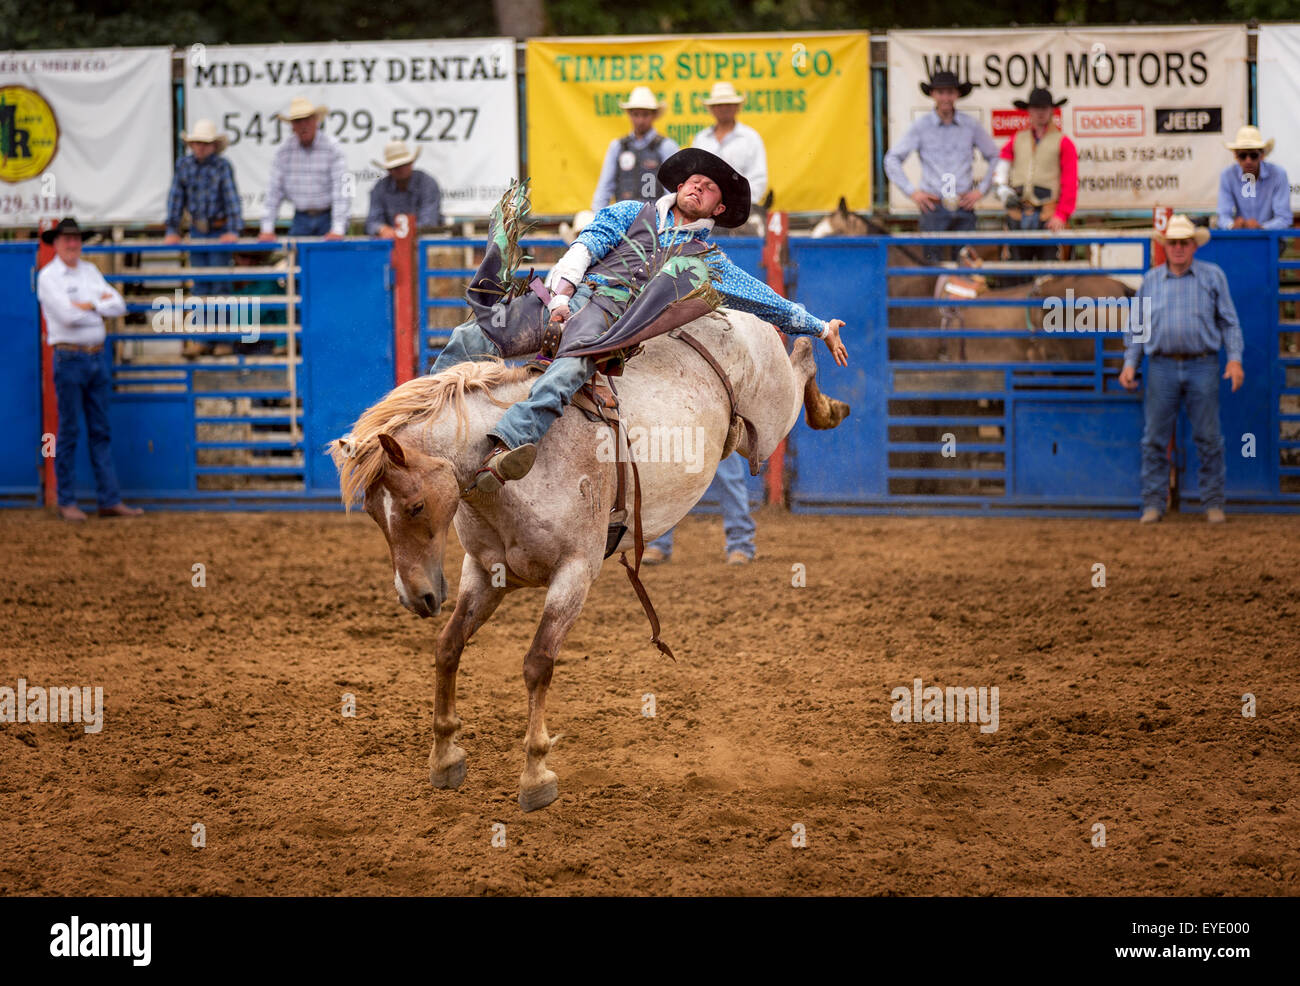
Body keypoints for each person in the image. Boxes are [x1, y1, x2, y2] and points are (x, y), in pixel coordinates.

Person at [430, 149, 848, 531]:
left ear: (718, 208)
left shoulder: (709, 261)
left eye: (709, 188)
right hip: (566, 296)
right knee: (472, 334)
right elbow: (585, 246)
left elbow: (765, 300)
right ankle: (424, 423)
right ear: (680, 186)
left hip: (610, 324)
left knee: (568, 371)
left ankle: (505, 447)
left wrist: (819, 327)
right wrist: (560, 297)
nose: (698, 186)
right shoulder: (630, 211)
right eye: (694, 180)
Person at [1119, 215, 1244, 524]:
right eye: (1172, 243)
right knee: (1154, 438)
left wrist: (1235, 359)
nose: (1177, 248)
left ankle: (1213, 502)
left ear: (1193, 246)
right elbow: (1138, 327)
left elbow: (1229, 321)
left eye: (1183, 243)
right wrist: (1130, 363)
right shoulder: (1150, 281)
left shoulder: (1213, 277)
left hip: (1203, 363)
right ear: (1166, 247)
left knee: (1209, 437)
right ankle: (1153, 503)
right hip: (1161, 364)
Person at [36, 218, 143, 522]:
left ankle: (108, 499)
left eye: (76, 239)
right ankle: (67, 500)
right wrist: (98, 305)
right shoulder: (48, 276)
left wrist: (87, 304)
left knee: (99, 430)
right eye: (67, 239)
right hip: (70, 358)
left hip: (95, 357)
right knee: (70, 430)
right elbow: (67, 316)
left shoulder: (90, 271)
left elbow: (119, 305)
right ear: (56, 243)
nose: (72, 244)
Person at [884, 69, 999, 263]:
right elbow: (892, 158)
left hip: (963, 205)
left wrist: (981, 191)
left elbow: (995, 156)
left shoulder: (970, 125)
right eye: (941, 92)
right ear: (933, 94)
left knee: (964, 264)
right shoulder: (921, 126)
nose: (945, 97)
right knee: (932, 266)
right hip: (934, 206)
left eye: (950, 92)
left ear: (957, 95)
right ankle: (935, 294)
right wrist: (913, 192)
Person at [165, 118, 244, 357]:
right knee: (201, 285)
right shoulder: (184, 166)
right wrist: (172, 229)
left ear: (213, 146)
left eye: (204, 143)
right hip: (198, 230)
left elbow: (231, 199)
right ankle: (203, 339)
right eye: (197, 143)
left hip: (219, 231)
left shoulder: (222, 166)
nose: (200, 147)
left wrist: (233, 229)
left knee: (219, 285)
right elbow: (176, 199)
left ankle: (224, 341)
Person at [993, 88, 1078, 261]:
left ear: (1051, 111)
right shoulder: (1017, 139)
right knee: (1016, 269)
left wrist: (1061, 215)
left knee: (1051, 273)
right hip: (1018, 214)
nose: (1040, 112)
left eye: (1044, 108)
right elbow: (1001, 166)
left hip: (1048, 215)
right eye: (1036, 108)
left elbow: (1070, 182)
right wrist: (1003, 191)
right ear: (1029, 111)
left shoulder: (1063, 142)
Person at [259, 97, 351, 241]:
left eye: (307, 120)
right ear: (292, 126)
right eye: (298, 121)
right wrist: (267, 228)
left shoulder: (333, 148)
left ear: (316, 121)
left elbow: (344, 188)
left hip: (328, 217)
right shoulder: (284, 152)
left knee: (329, 261)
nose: (303, 125)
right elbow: (273, 190)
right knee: (296, 261)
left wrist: (338, 228)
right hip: (300, 217)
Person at [691, 82, 767, 234]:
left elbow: (758, 180)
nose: (724, 108)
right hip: (705, 214)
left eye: (728, 104)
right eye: (719, 105)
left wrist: (734, 203)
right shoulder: (701, 139)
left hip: (743, 214)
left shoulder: (750, 138)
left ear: (737, 107)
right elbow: (694, 177)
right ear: (711, 109)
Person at [591, 86, 680, 212]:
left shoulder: (666, 146)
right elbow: (605, 186)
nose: (640, 120)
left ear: (654, 115)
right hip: (623, 217)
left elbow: (672, 190)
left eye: (645, 115)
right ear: (629, 114)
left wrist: (668, 219)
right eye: (636, 114)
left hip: (656, 218)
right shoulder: (617, 146)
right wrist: (597, 216)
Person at [1217, 126, 1293, 231]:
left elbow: (1284, 218)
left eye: (1253, 155)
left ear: (1262, 155)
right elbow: (1223, 215)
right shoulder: (1227, 175)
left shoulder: (1278, 174)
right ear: (1236, 156)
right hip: (1241, 238)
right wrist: (1232, 225)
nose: (1248, 161)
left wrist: (1261, 227)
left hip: (1271, 240)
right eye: (1243, 155)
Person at [365, 139, 443, 237]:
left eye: (404, 165)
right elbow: (372, 222)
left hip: (422, 241)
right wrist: (382, 229)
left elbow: (429, 222)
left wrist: (401, 234)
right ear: (389, 170)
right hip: (392, 243)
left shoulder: (427, 183)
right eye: (395, 167)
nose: (400, 170)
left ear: (411, 164)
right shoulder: (380, 187)